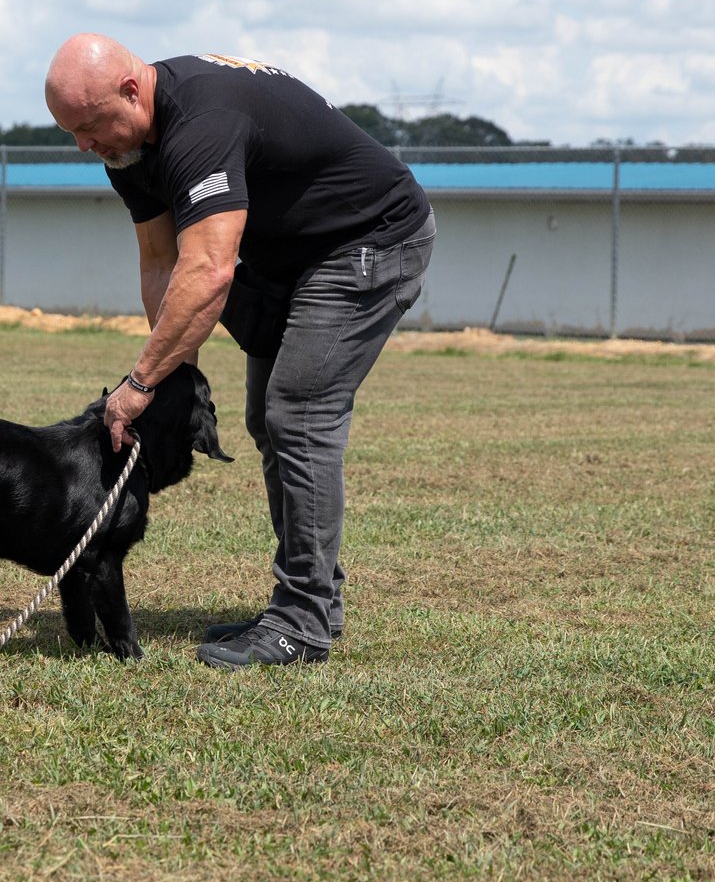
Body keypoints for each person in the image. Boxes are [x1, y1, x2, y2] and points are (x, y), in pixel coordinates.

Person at [43, 33, 436, 670]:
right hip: (294, 262)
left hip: (369, 239)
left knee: (298, 414)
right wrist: (175, 380)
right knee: (269, 420)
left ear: (131, 89)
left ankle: (301, 623)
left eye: (89, 126)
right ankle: (312, 602)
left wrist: (140, 383)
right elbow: (160, 262)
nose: (84, 145)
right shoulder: (129, 146)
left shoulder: (202, 125)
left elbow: (209, 270)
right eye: (71, 133)